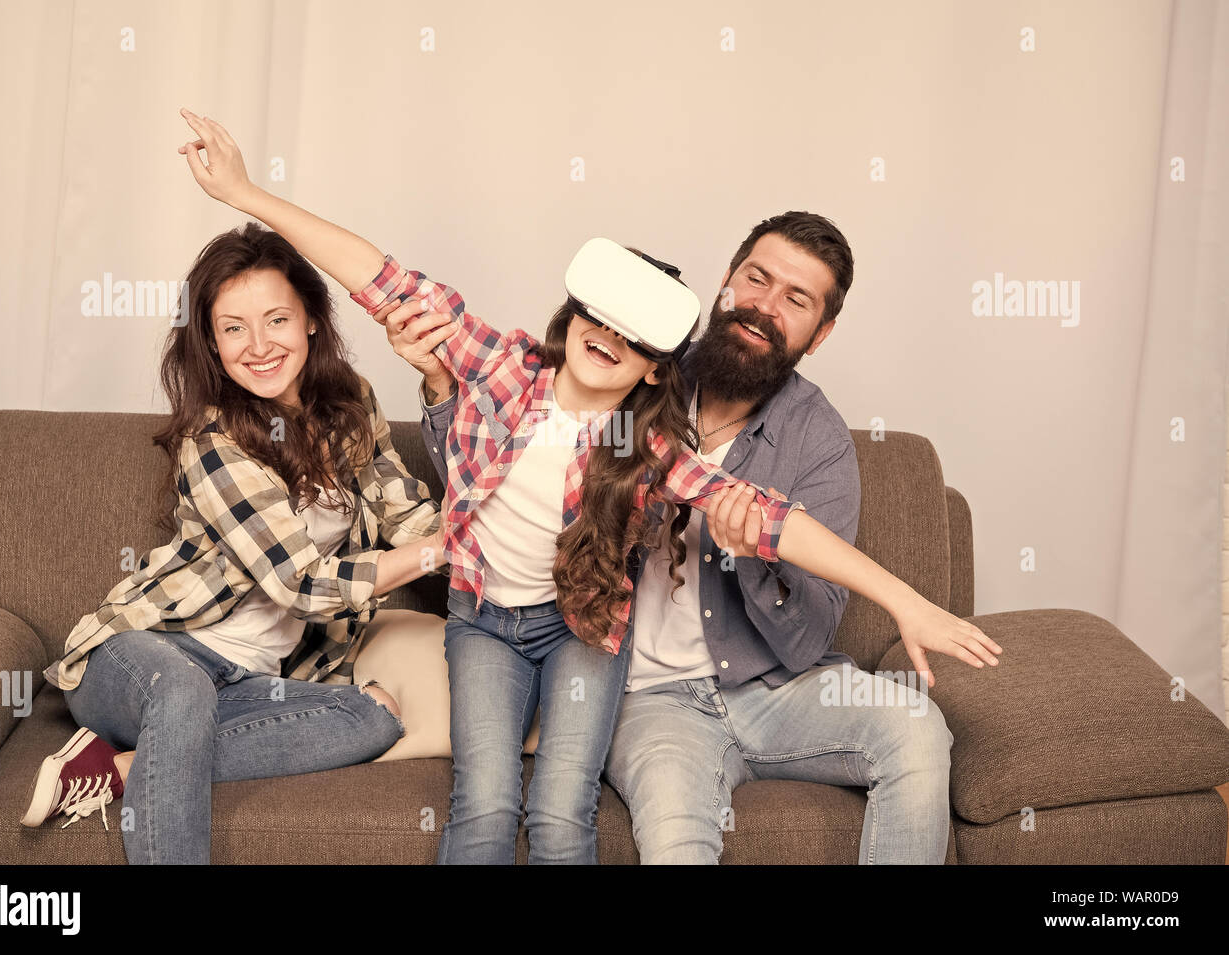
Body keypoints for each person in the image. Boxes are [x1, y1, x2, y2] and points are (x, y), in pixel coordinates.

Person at [172, 108, 1001, 864]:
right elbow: (378, 273)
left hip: (585, 631)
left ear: (651, 367)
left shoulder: (648, 445)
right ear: (571, 318)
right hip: (488, 625)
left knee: (564, 816)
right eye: (599, 316)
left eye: (635, 335)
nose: (610, 336)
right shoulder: (498, 368)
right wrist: (247, 191)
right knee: (489, 806)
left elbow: (787, 528)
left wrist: (906, 602)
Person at [411, 212, 997, 864]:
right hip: (653, 703)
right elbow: (497, 474)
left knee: (918, 731)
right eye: (756, 278)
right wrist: (441, 389)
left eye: (796, 299)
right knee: (675, 845)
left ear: (820, 333)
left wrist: (751, 559)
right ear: (724, 283)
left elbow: (811, 635)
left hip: (777, 690)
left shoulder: (819, 439)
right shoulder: (634, 372)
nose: (764, 306)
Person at [22, 220, 448, 865]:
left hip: (251, 680)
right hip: (146, 655)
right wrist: (437, 552)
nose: (258, 346)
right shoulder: (212, 440)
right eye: (233, 328)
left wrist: (481, 535)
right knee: (182, 691)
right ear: (212, 344)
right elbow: (300, 585)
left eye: (276, 319)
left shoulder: (351, 405)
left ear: (310, 319)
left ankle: (116, 766)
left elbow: (409, 514)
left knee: (375, 718)